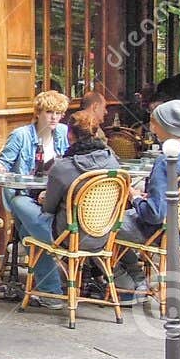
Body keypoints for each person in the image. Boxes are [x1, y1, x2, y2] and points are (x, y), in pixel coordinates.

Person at [12, 109, 121, 305]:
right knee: (27, 232)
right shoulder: (113, 162)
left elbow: (49, 209)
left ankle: (51, 293)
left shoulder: (62, 167)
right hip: (103, 236)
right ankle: (50, 292)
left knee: (19, 204)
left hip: (67, 236)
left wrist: (44, 198)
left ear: (70, 135)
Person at [113, 99, 180, 299]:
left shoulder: (165, 161)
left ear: (166, 126)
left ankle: (126, 285)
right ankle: (137, 279)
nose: (152, 128)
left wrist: (135, 197)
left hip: (158, 232)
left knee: (105, 225)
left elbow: (154, 214)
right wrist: (152, 198)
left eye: (155, 123)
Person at [0, 90, 70, 176]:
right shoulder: (20, 135)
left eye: (58, 113)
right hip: (25, 184)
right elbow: (4, 163)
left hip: (55, 184)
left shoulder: (64, 131)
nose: (54, 117)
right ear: (38, 113)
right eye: (49, 112)